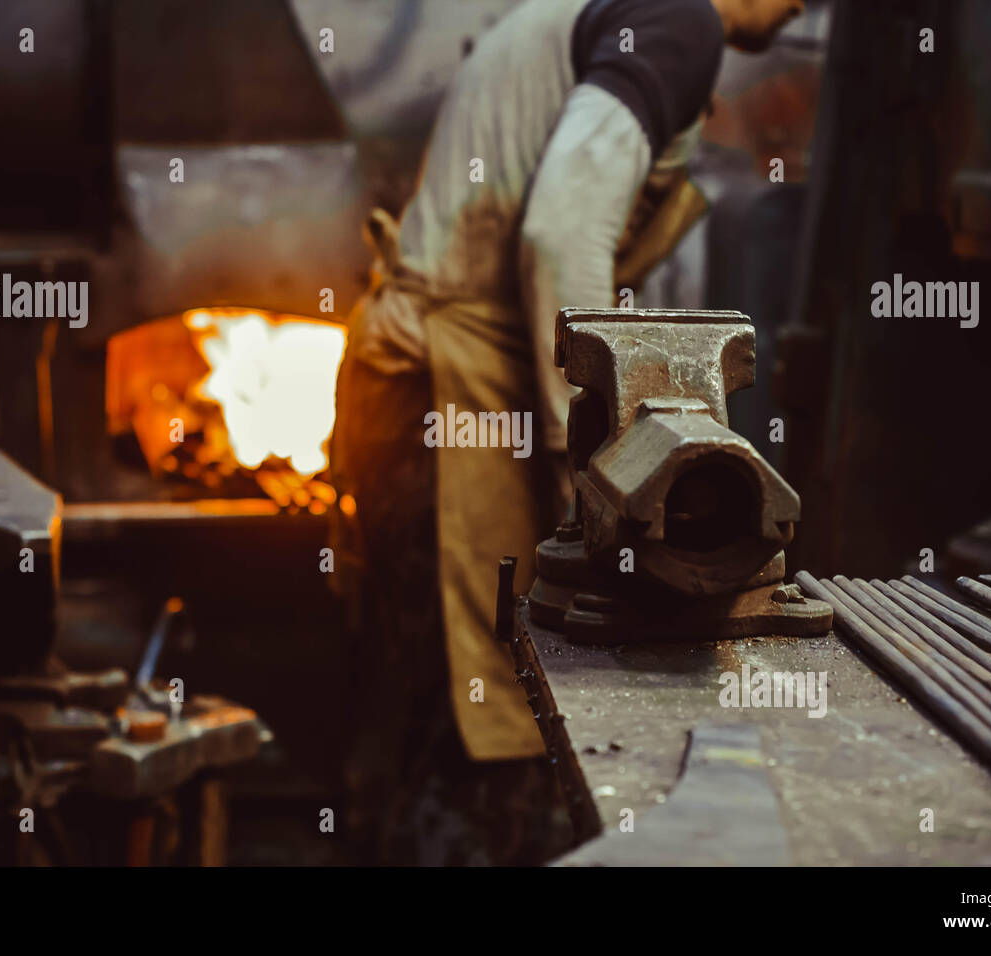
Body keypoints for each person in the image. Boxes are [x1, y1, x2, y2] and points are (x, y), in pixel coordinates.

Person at [330, 0, 805, 864]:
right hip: (460, 398)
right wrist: (594, 467)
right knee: (482, 738)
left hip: (414, 392)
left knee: (412, 717)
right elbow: (558, 235)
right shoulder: (677, 20)